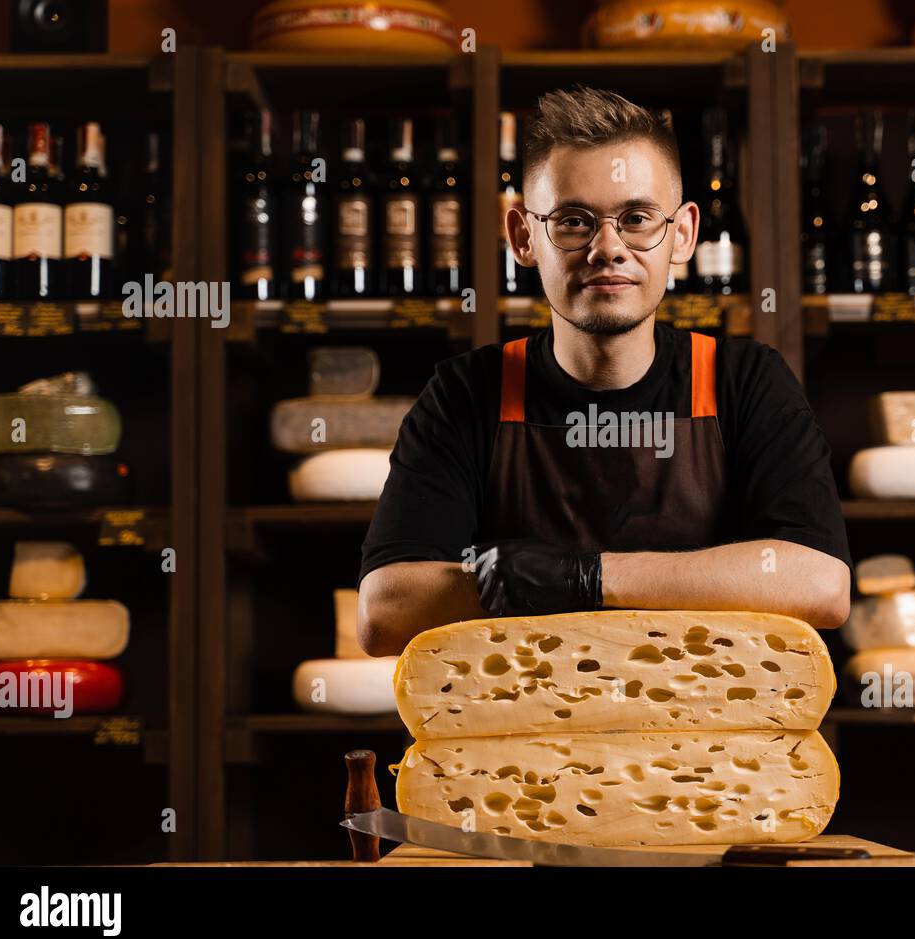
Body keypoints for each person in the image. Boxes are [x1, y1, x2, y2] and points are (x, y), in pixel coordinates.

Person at [358, 86, 850, 655]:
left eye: (637, 218)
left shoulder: (744, 382)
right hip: (524, 735)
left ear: (684, 233)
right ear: (523, 237)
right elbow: (384, 612)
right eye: (573, 221)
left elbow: (820, 584)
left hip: (705, 736)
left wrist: (580, 577)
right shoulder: (467, 393)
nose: (608, 249)